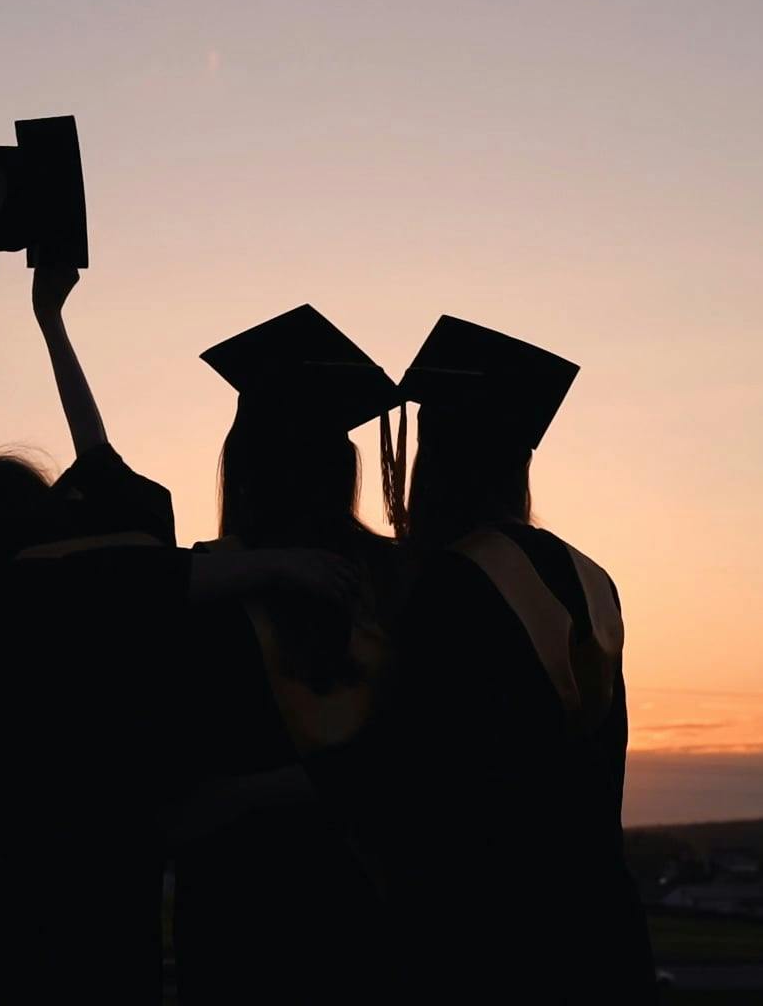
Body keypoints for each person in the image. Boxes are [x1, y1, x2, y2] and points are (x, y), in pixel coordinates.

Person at [368, 316, 656, 1002]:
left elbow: (422, 781)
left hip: (486, 936)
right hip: (598, 925)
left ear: (435, 459)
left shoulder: (449, 584)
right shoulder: (593, 579)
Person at [168, 304, 404, 1004]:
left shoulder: (199, 593)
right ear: (345, 465)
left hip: (238, 919)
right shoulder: (407, 582)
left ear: (242, 463)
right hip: (375, 917)